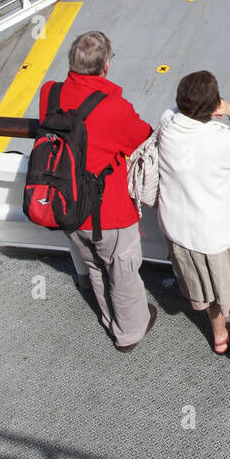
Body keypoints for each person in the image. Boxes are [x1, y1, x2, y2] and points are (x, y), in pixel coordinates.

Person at [38, 31, 155, 352]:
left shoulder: (49, 93)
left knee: (93, 265)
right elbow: (145, 139)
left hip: (64, 202)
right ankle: (129, 332)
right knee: (123, 270)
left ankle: (109, 317)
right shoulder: (114, 107)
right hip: (108, 211)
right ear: (105, 65)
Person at [156, 71, 230, 360]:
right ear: (213, 108)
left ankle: (219, 337)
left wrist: (197, 106)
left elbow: (173, 111)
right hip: (217, 231)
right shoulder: (220, 138)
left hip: (182, 232)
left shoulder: (166, 126)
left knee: (206, 289)